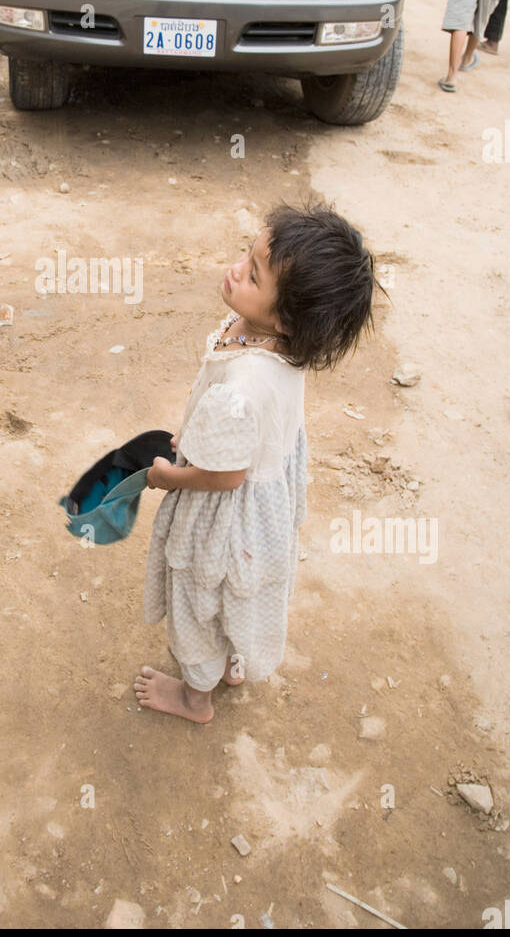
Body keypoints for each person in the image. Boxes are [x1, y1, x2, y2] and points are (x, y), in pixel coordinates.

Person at [135, 203, 377, 724]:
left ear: (286, 315)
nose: (235, 270)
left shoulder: (245, 385)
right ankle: (233, 656)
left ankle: (194, 698)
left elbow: (224, 476)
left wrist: (166, 475)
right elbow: (249, 430)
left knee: (201, 596)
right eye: (247, 257)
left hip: (226, 511)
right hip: (262, 509)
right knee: (237, 590)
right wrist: (201, 432)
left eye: (252, 274)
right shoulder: (278, 341)